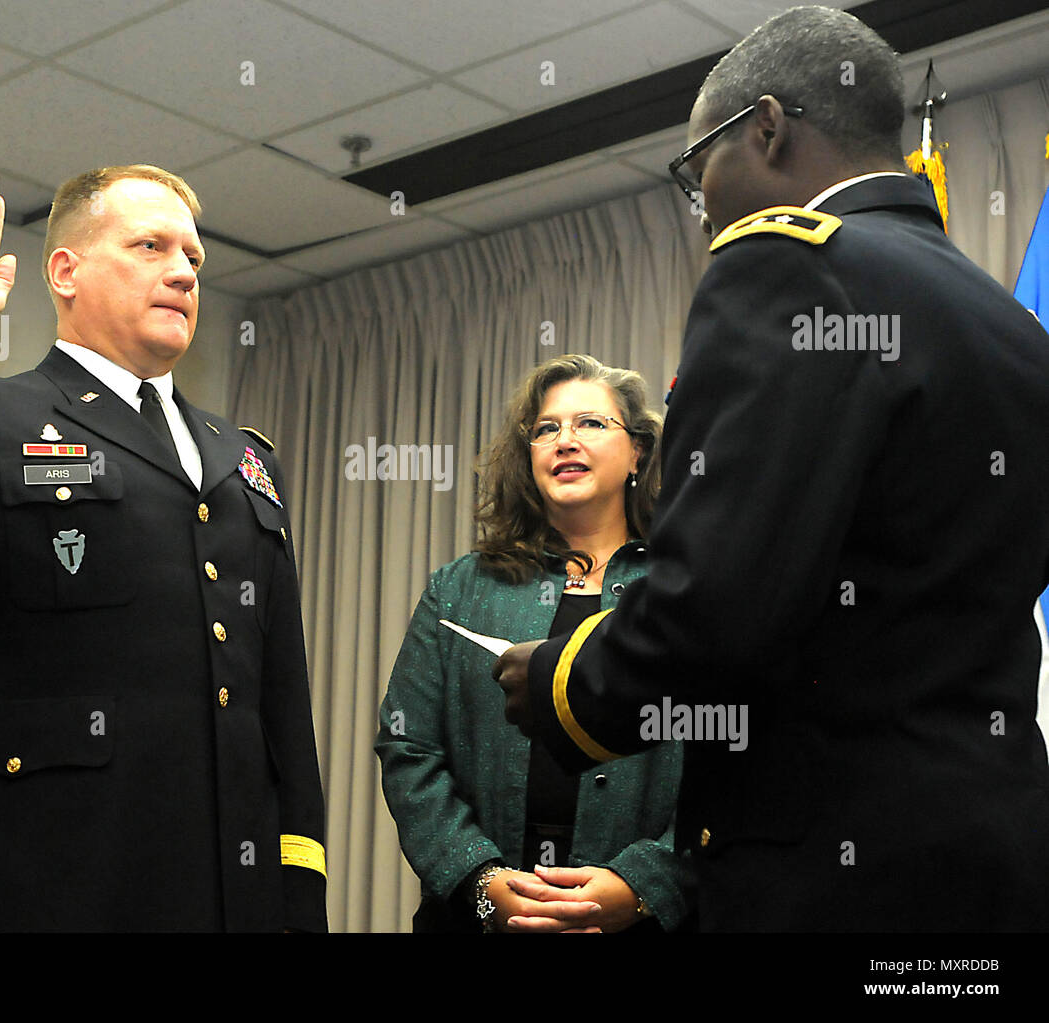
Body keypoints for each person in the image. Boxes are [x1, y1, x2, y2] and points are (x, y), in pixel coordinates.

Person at [494, 6, 1049, 931]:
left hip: (830, 870)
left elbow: (720, 604)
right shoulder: (1014, 332)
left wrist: (562, 685)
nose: (703, 200)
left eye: (697, 168)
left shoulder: (788, 271)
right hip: (994, 857)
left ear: (765, 127)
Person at [0, 166, 327, 931]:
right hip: (36, 888)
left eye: (195, 260)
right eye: (150, 246)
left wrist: (297, 891)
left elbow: (282, 707)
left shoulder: (243, 460)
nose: (182, 271)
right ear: (65, 271)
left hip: (226, 899)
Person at [376, 355, 694, 933]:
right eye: (547, 429)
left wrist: (642, 887)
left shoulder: (683, 591)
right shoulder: (459, 588)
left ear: (638, 453)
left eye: (591, 424)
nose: (565, 441)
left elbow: (728, 770)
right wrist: (480, 881)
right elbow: (409, 749)